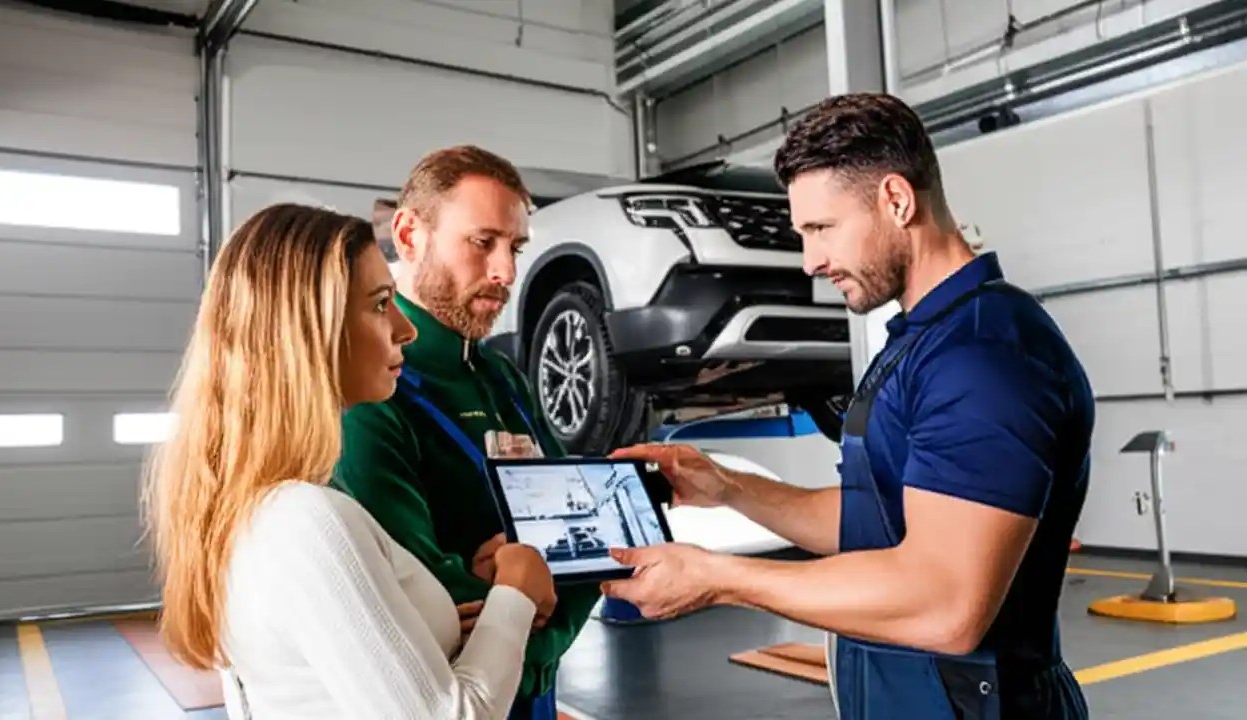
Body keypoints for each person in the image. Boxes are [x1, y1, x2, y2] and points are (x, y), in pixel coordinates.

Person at [602, 93, 1094, 719]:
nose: (811, 261)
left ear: (896, 200)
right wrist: (725, 485)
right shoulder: (923, 338)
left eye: (821, 229)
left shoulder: (983, 353)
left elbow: (944, 605)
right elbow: (873, 519)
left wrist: (718, 578)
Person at [142, 203, 558, 719]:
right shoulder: (303, 520)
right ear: (309, 328)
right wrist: (517, 589)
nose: (405, 328)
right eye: (382, 302)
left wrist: (443, 598)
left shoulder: (269, 510)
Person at [334, 146, 600, 720]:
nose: (505, 271)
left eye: (515, 248)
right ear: (409, 234)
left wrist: (525, 609)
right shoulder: (368, 390)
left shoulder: (504, 378)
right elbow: (420, 603)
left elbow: (586, 546)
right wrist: (530, 592)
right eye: (482, 243)